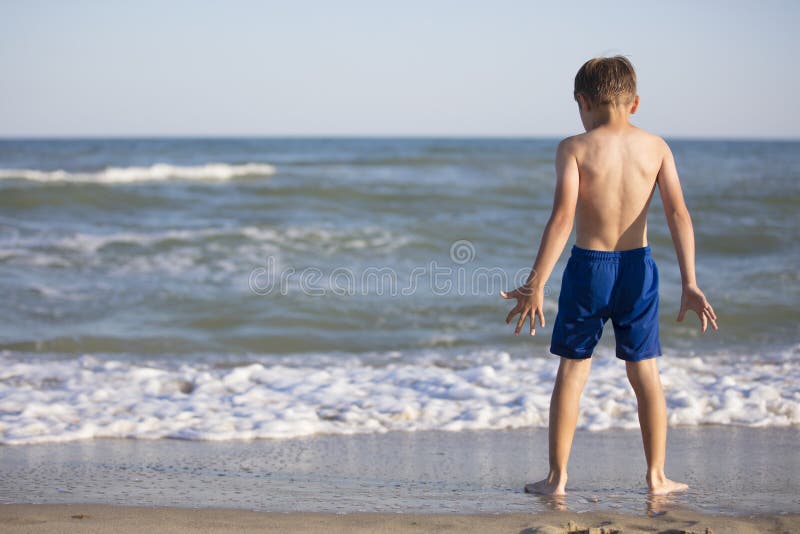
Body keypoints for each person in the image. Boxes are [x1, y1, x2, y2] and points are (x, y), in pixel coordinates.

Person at [500, 55, 718, 496]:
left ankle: (557, 479)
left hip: (589, 269)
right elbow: (678, 213)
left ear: (582, 101)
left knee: (573, 371)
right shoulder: (656, 147)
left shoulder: (574, 147)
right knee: (645, 373)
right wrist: (690, 282)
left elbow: (562, 218)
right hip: (638, 268)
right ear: (634, 103)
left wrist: (536, 281)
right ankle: (657, 477)